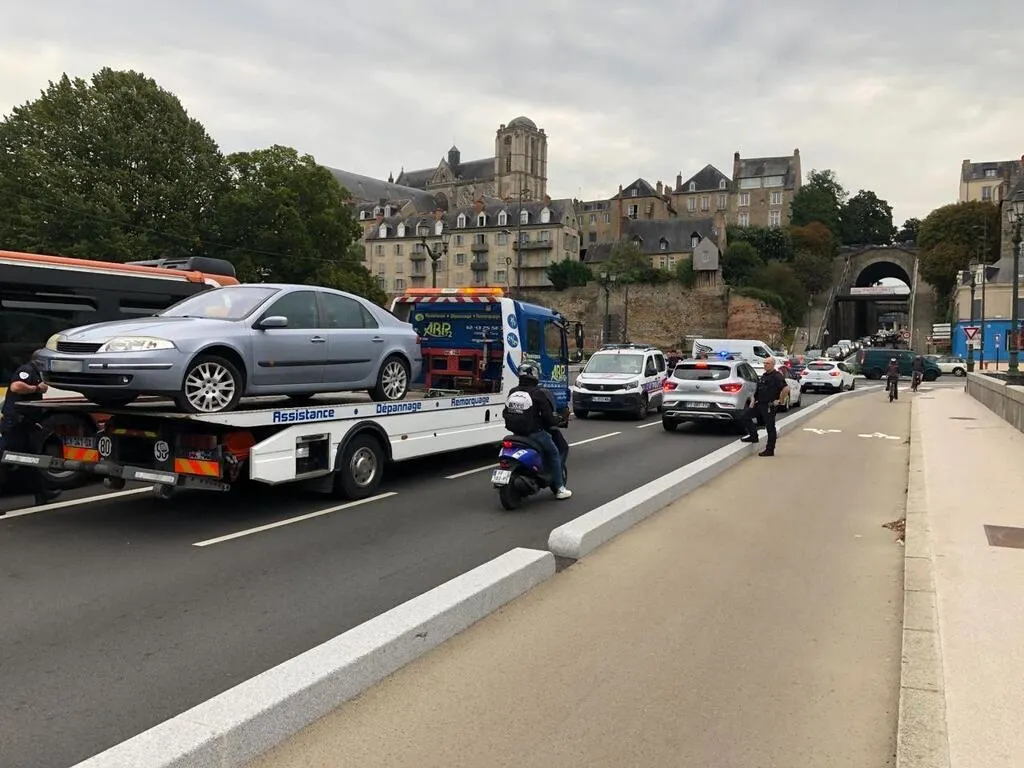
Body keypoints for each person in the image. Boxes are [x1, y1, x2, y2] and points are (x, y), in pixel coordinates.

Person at [0, 355, 62, 510]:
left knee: (30, 461)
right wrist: (36, 388)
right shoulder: (27, 370)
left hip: (25, 424)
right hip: (15, 424)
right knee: (4, 460)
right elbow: (16, 387)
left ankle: (41, 493)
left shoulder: (37, 373)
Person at [503, 361, 572, 500]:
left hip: (516, 434)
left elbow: (506, 412)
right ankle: (559, 488)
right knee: (553, 452)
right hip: (534, 433)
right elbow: (548, 417)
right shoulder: (538, 394)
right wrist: (558, 420)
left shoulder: (513, 391)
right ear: (535, 374)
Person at [739, 356, 789, 457]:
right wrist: (753, 400)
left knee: (770, 427)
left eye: (767, 363)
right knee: (744, 416)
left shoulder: (777, 376)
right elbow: (759, 389)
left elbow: (786, 389)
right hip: (760, 404)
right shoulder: (765, 375)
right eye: (764, 363)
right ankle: (753, 436)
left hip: (769, 405)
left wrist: (780, 401)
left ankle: (770, 450)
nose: (765, 365)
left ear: (773, 365)